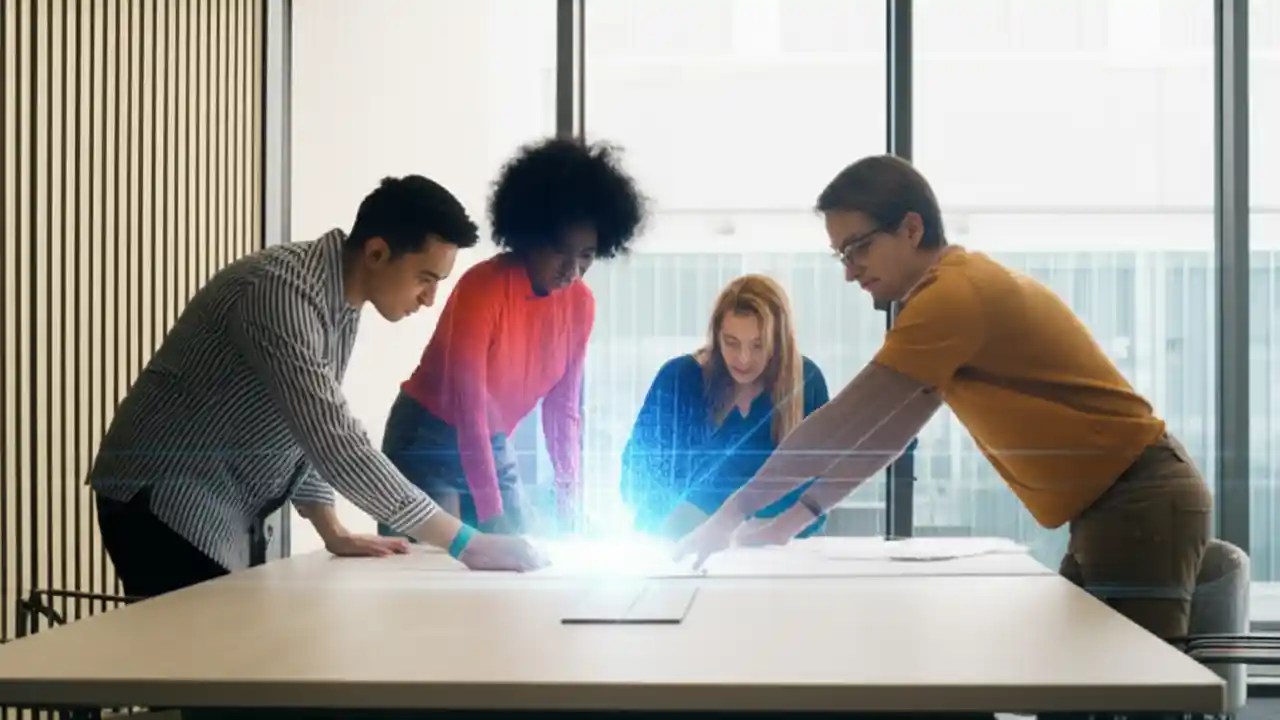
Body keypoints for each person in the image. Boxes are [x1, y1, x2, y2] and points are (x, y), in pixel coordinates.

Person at [675, 154, 1212, 644]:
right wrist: (789, 521)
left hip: (1137, 500)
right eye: (841, 254)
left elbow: (842, 423)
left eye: (859, 248)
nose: (849, 270)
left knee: (1129, 690)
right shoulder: (947, 298)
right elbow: (886, 434)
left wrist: (730, 514)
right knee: (1081, 687)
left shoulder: (953, 298)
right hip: (1118, 504)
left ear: (911, 229)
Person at [89, 175, 546, 599]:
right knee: (206, 652)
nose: (429, 299)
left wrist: (331, 529)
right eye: (425, 279)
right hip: (164, 496)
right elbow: (334, 440)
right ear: (376, 253)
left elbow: (302, 425)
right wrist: (466, 543)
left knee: (225, 645)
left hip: (211, 499)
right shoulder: (281, 292)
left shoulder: (338, 299)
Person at [378, 138, 647, 538]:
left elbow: (563, 411)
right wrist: (490, 515)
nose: (572, 270)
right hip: (426, 438)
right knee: (436, 558)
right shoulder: (483, 287)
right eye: (560, 251)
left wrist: (570, 500)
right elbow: (468, 406)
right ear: (529, 236)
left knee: (520, 550)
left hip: (491, 440)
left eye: (586, 255)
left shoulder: (581, 305)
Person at [620, 274, 830, 540]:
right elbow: (637, 475)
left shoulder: (807, 381)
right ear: (716, 337)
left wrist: (763, 528)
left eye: (758, 345)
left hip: (777, 546)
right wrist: (683, 521)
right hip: (679, 541)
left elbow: (822, 486)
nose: (744, 359)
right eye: (731, 342)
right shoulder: (678, 379)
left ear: (779, 342)